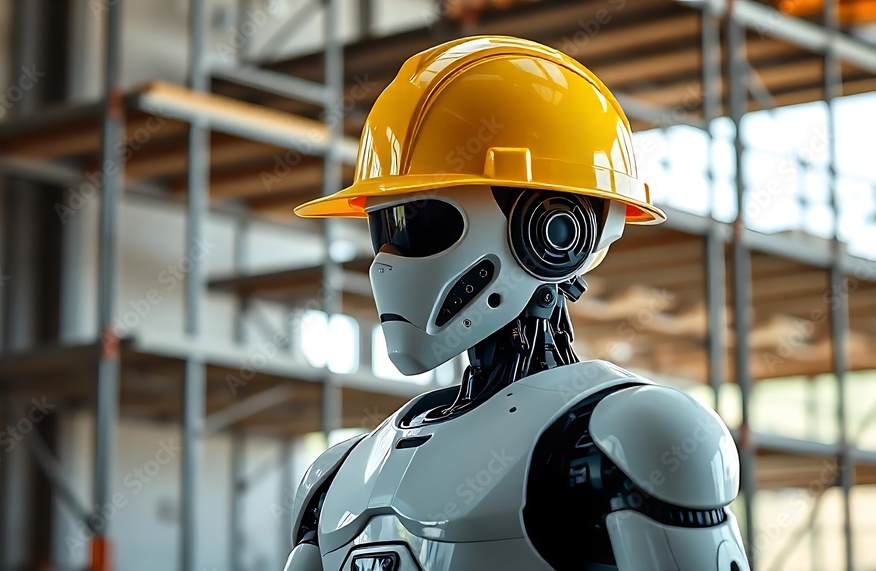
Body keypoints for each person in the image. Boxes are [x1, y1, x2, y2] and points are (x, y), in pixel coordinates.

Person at [284, 36, 748, 571]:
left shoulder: (630, 439)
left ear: (554, 230)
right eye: (383, 228)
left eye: (421, 223)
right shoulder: (337, 474)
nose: (387, 263)